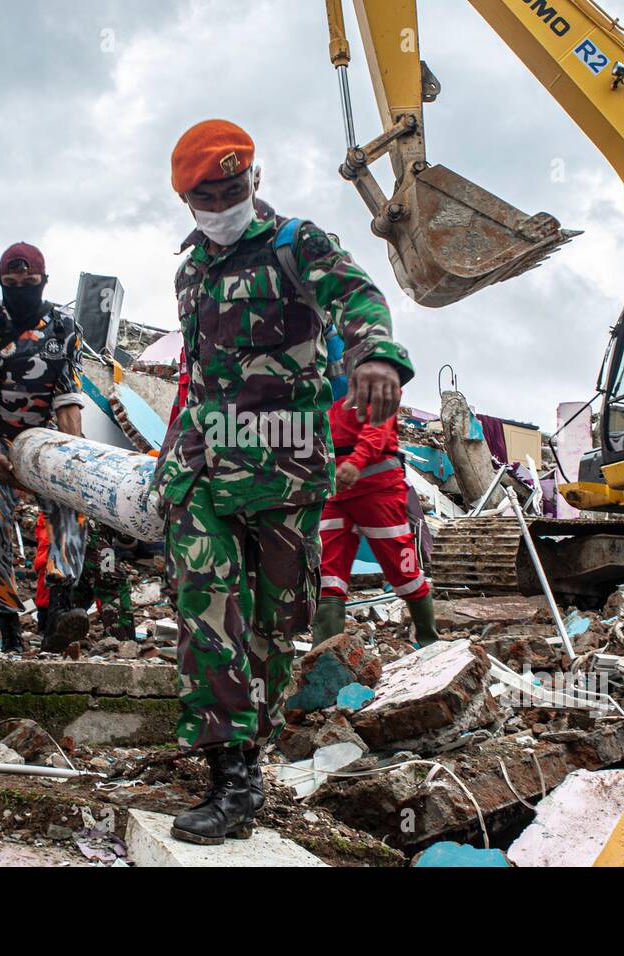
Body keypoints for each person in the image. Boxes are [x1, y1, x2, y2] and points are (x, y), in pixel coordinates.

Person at [156, 119, 414, 845]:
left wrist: (379, 358)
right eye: (211, 192)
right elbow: (195, 373)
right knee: (208, 611)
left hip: (282, 468)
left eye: (235, 186)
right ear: (188, 201)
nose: (225, 200)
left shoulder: (298, 245)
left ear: (255, 180)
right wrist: (167, 462)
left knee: (273, 628)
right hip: (203, 467)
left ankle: (253, 757)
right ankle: (229, 778)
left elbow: (358, 299)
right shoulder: (189, 273)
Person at [0, 242, 89, 653]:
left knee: (68, 509)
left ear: (44, 282)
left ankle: (57, 610)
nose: (20, 287)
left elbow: (68, 400)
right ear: (1, 282)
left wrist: (74, 458)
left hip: (43, 433)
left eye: (29, 282)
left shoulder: (64, 327)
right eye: (12, 282)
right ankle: (8, 627)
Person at [312, 393, 439, 647]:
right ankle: (323, 657)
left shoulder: (376, 378)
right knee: (328, 577)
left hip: (378, 490)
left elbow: (377, 429)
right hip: (336, 493)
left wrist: (356, 462)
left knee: (404, 573)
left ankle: (429, 642)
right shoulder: (322, 388)